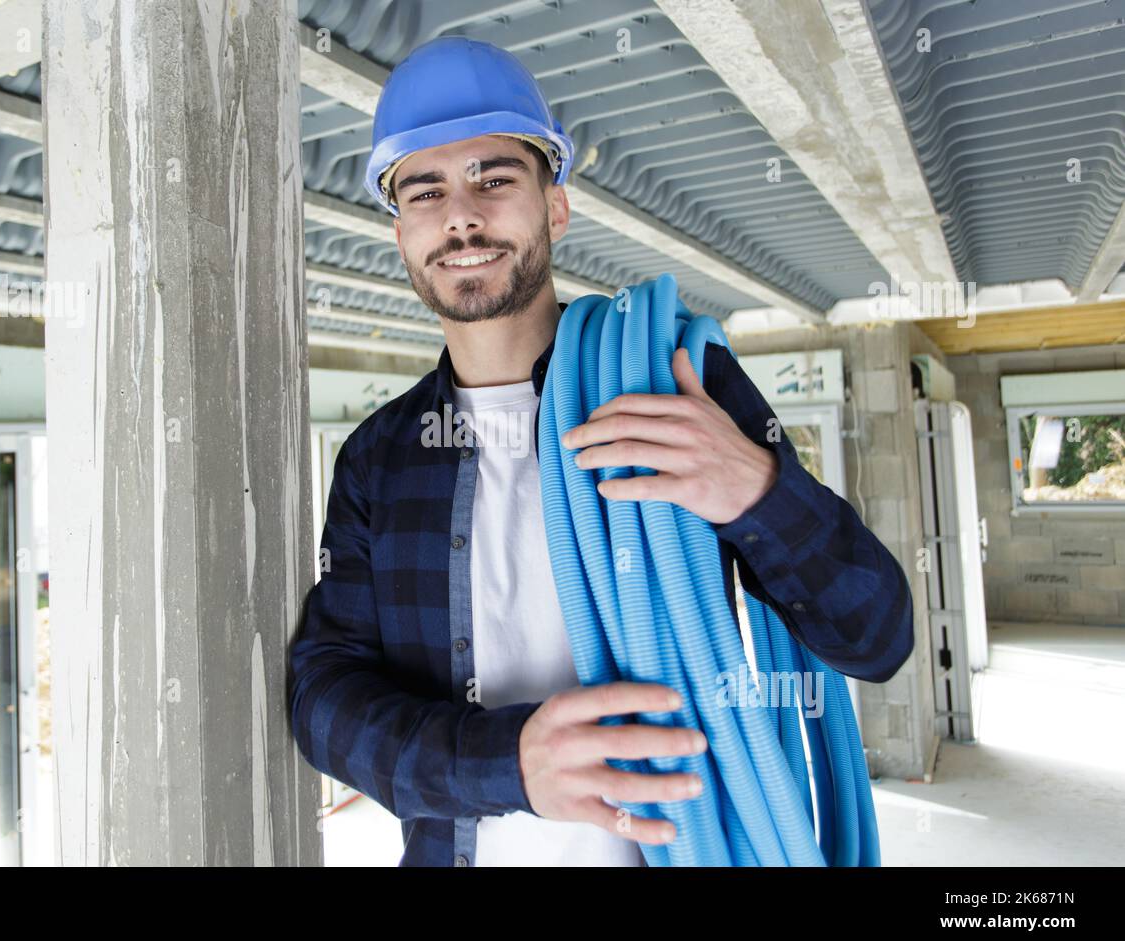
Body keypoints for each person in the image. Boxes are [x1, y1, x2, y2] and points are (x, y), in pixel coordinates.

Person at [288, 36, 913, 867]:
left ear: (555, 209)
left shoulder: (672, 381)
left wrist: (757, 490)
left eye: (494, 178)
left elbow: (877, 637)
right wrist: (505, 762)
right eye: (425, 190)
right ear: (401, 233)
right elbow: (322, 696)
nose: (461, 216)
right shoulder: (380, 458)